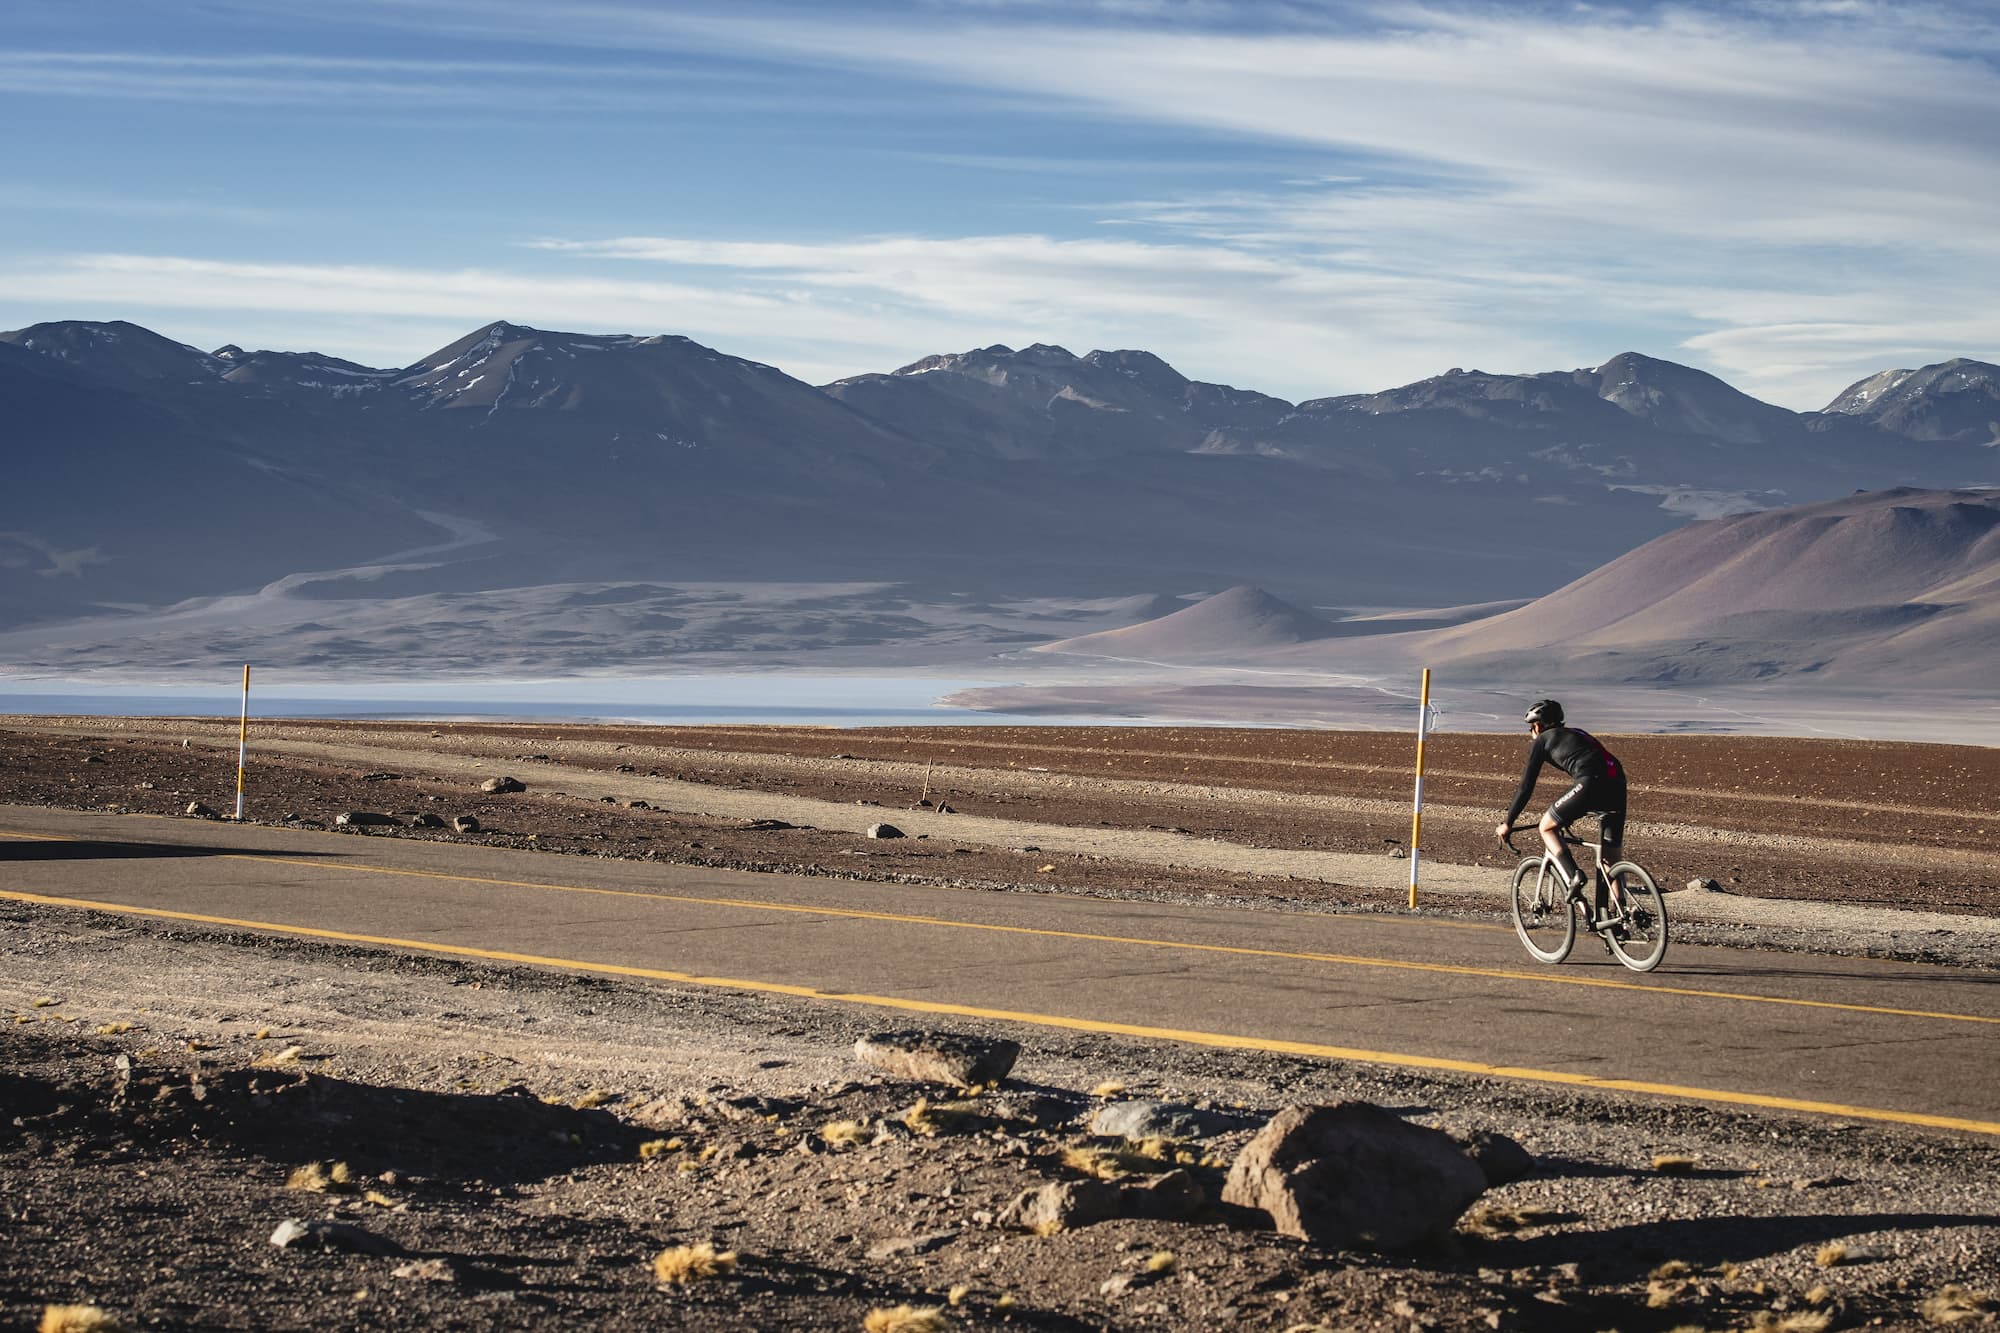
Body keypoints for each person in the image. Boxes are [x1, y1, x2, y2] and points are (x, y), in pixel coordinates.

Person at [1494, 699, 1627, 915]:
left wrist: (1508, 823)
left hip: (1591, 781)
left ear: (1537, 725)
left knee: (1547, 826)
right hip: (1617, 783)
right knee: (1610, 858)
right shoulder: (1578, 733)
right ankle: (1621, 915)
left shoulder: (1542, 739)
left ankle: (1574, 875)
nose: (1531, 732)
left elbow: (1526, 786)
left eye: (1531, 727)